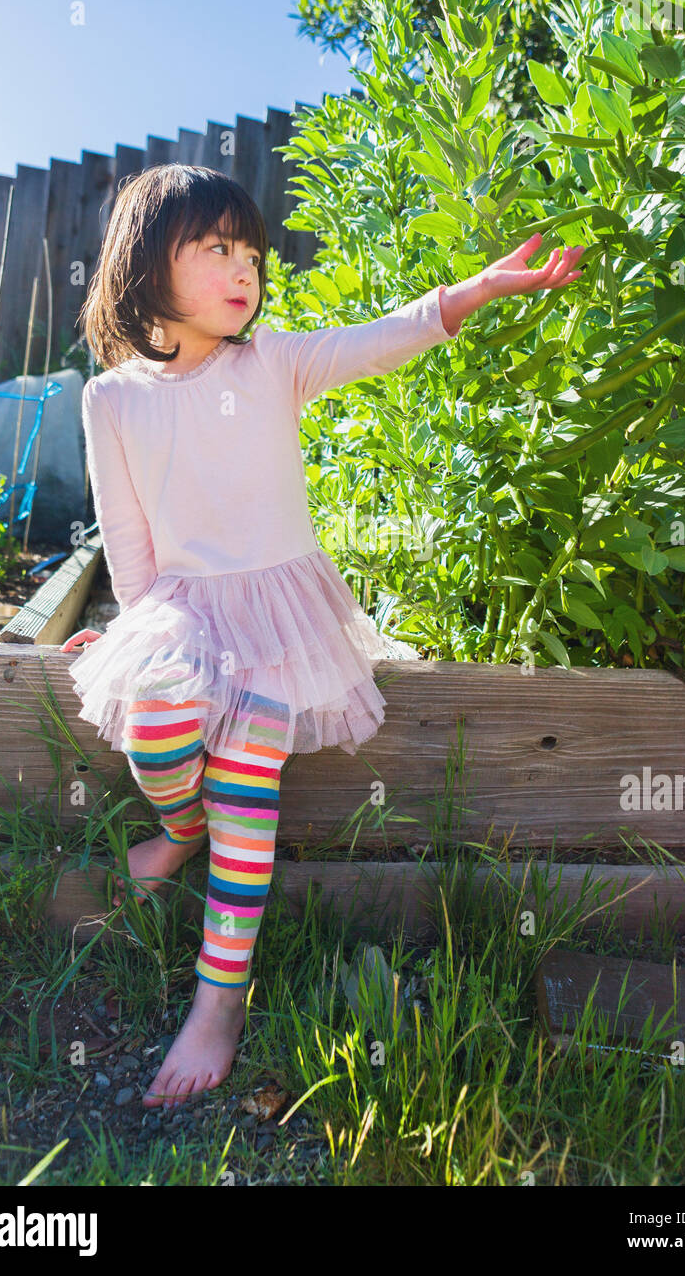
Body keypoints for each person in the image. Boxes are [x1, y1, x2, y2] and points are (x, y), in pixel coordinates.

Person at [61, 162, 585, 1110]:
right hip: (181, 609)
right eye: (217, 248)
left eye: (253, 254)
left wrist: (472, 291)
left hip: (279, 620)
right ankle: (182, 828)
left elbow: (382, 339)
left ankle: (219, 1000)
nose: (245, 270)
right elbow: (129, 543)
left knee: (251, 789)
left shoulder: (273, 363)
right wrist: (133, 638)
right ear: (145, 264)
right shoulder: (113, 401)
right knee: (160, 729)